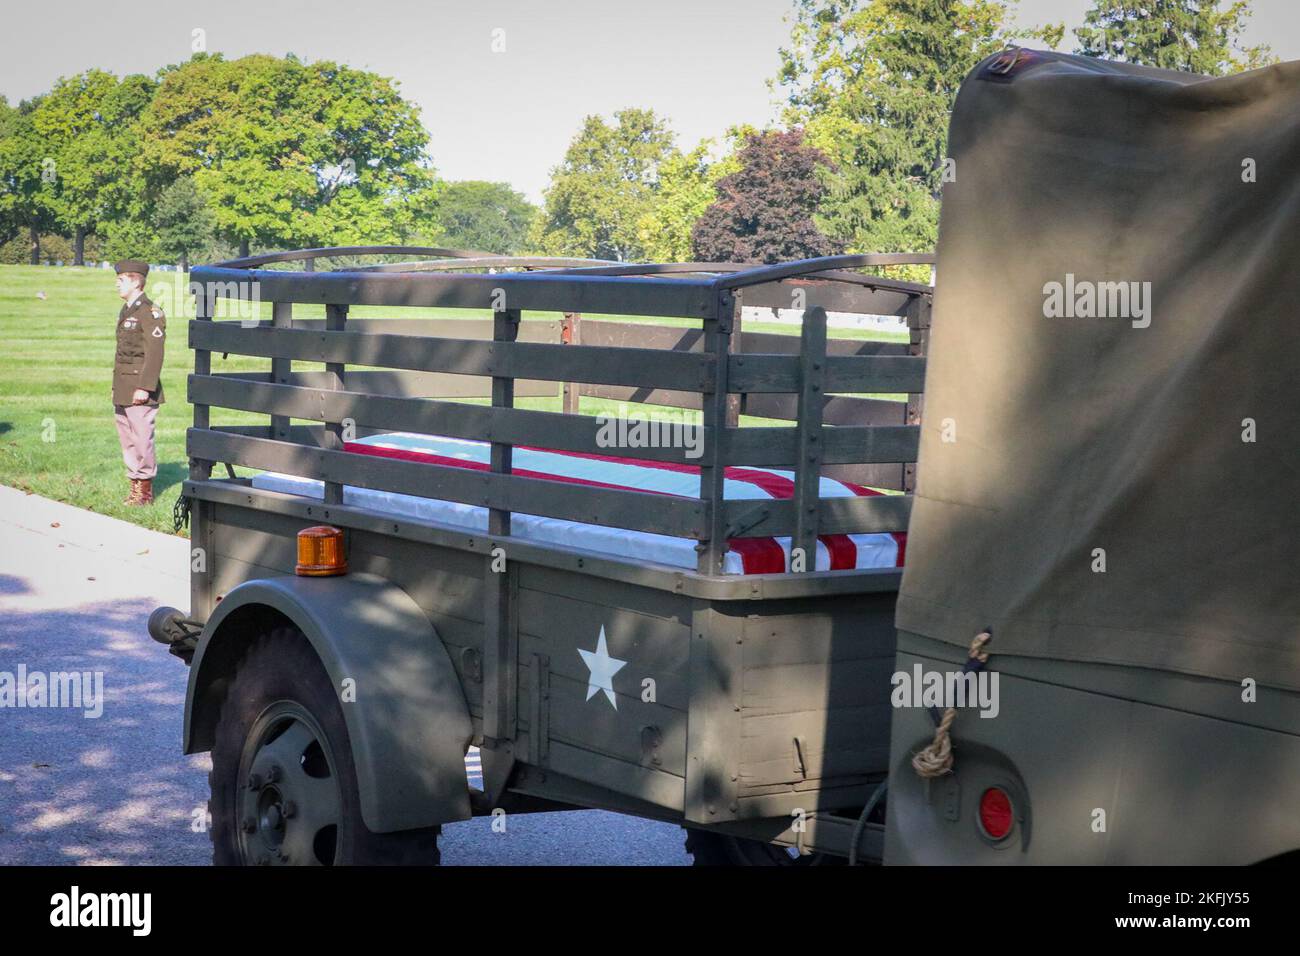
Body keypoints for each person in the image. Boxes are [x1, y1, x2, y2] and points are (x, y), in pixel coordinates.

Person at [112, 260, 166, 506]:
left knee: (142, 438)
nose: (116, 284)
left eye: (121, 280)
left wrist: (145, 387)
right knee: (127, 438)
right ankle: (134, 486)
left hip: (140, 388)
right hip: (123, 386)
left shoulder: (150, 312)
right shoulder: (127, 310)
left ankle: (144, 491)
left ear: (135, 281)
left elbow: (155, 354)